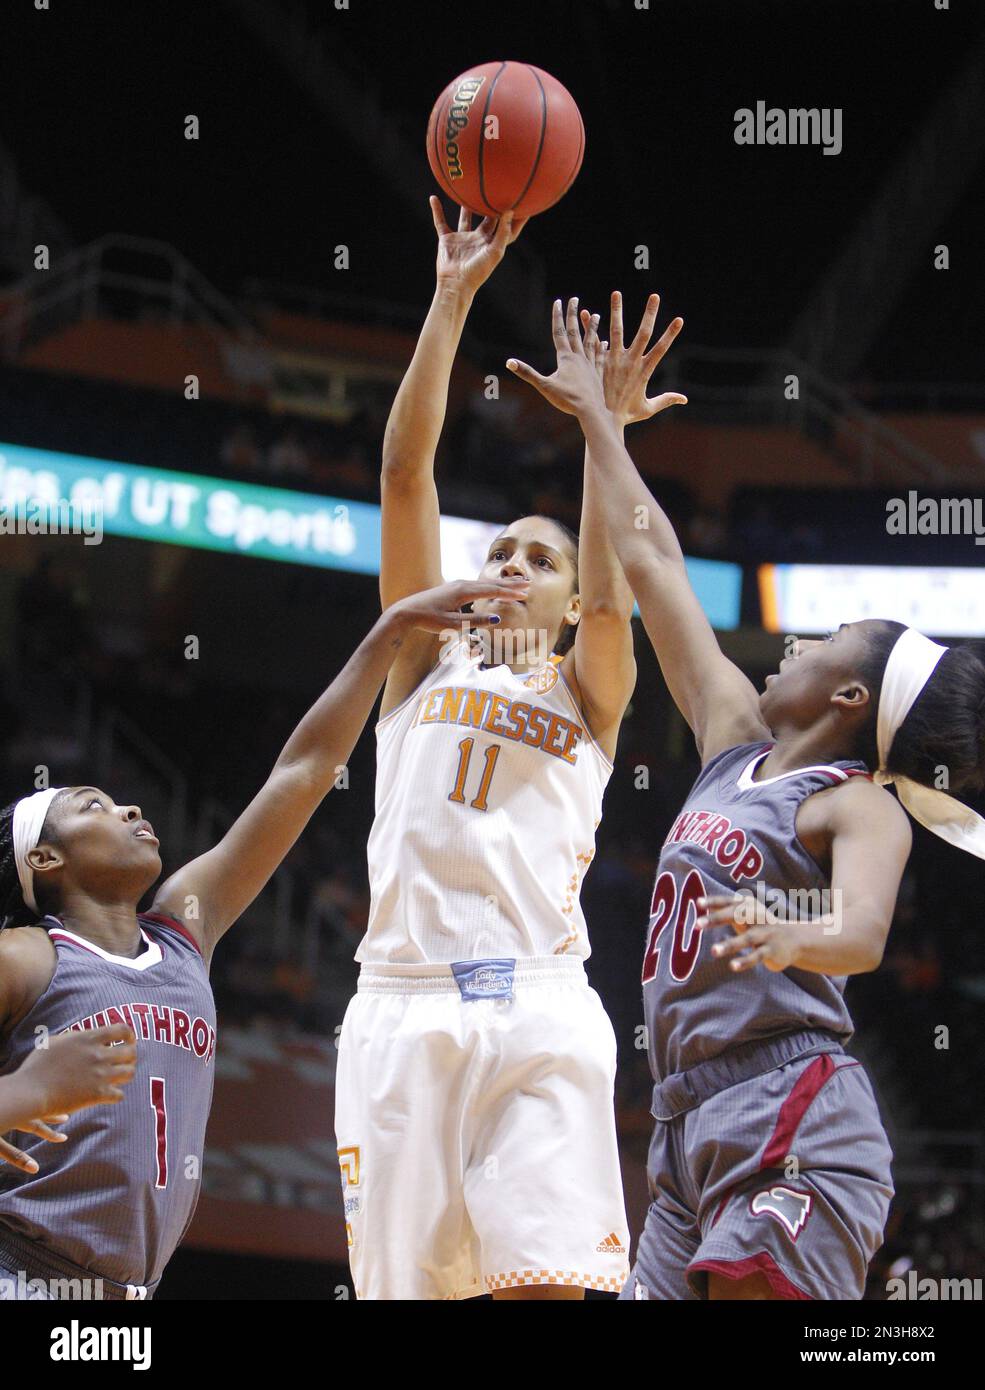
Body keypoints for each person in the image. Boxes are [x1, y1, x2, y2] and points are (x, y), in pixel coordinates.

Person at [507, 292, 985, 1301]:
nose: (799, 643)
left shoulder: (859, 804)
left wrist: (785, 919)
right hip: (685, 1124)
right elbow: (649, 560)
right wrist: (602, 420)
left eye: (827, 640)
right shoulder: (731, 738)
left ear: (848, 697)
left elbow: (857, 932)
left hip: (796, 1111)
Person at [334, 200, 685, 1301]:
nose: (509, 561)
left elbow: (617, 580)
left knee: (548, 1289)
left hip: (541, 997)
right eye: (494, 549)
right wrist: (450, 299)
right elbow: (403, 476)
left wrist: (600, 427)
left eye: (536, 555)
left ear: (572, 596)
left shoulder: (591, 685)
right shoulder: (417, 663)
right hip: (402, 997)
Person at [0, 576, 515, 1299]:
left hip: (123, 1297)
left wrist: (387, 632)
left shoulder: (183, 930)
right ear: (44, 860)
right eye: (94, 807)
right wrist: (21, 1093)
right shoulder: (27, 957)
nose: (129, 807)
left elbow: (301, 776)